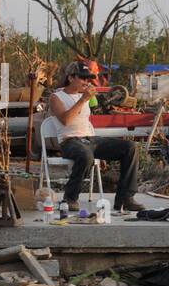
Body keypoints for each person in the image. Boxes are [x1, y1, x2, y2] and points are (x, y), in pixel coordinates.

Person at [48, 60, 149, 212]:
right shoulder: (57, 97)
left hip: (90, 138)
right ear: (70, 78)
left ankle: (125, 199)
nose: (86, 82)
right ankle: (70, 198)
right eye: (82, 78)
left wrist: (89, 99)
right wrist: (83, 100)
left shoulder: (85, 96)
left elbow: (86, 121)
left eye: (88, 79)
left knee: (130, 147)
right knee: (86, 156)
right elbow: (66, 120)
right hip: (70, 141)